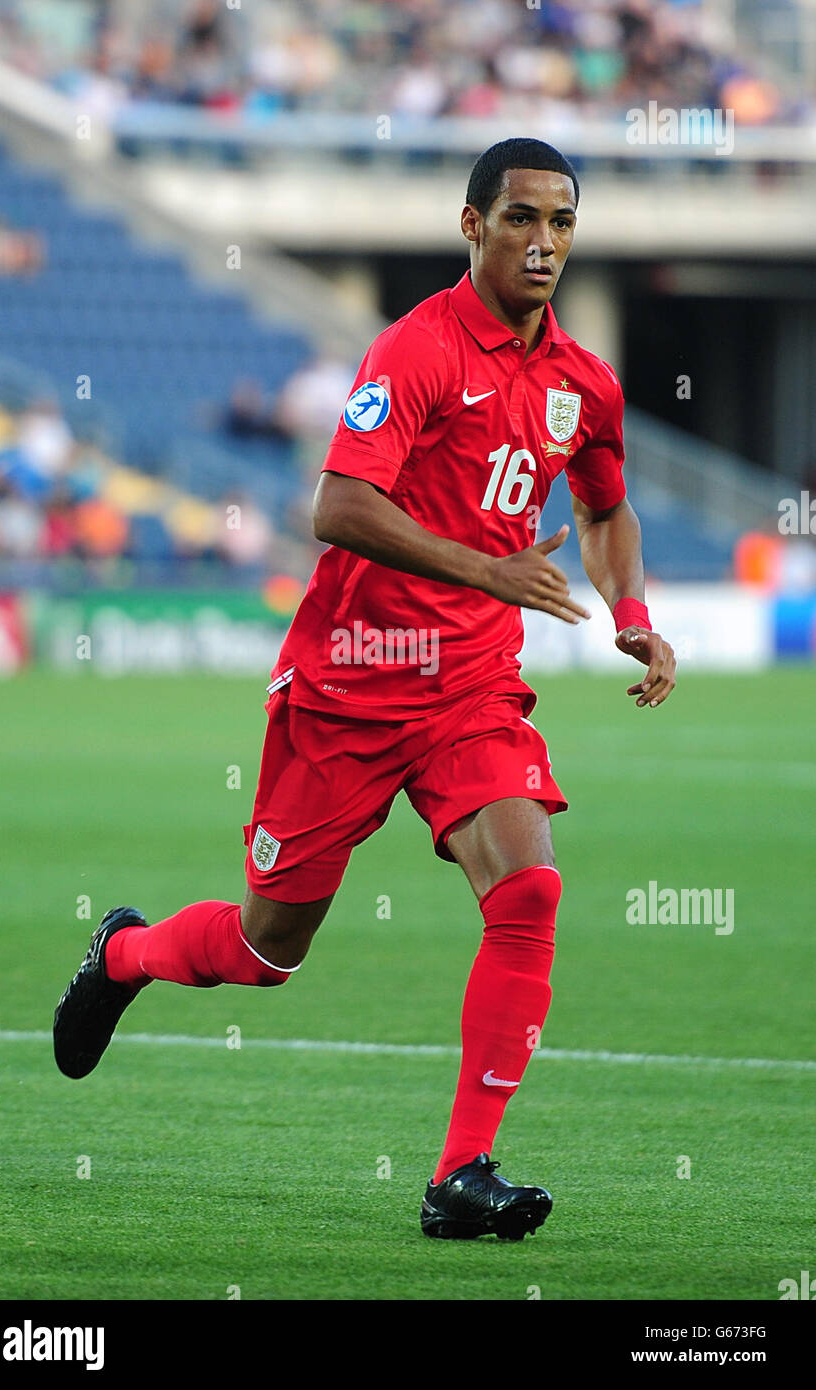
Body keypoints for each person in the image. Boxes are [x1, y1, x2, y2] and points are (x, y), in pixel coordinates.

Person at [54, 138, 676, 1241]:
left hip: (470, 687)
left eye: (561, 224)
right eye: (521, 219)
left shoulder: (582, 382)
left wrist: (630, 615)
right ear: (471, 225)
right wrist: (489, 565)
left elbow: (602, 505)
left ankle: (458, 1173)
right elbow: (338, 506)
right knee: (263, 952)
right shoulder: (418, 348)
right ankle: (124, 953)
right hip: (349, 682)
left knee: (528, 891)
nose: (544, 243)